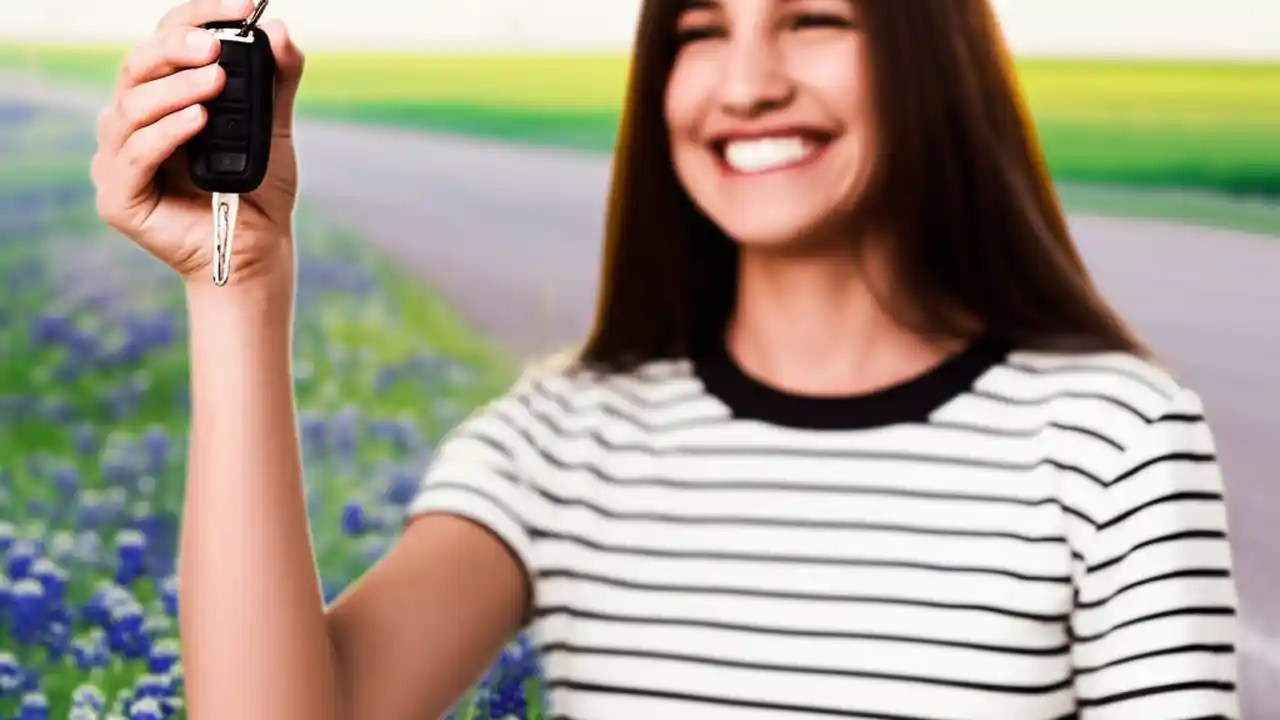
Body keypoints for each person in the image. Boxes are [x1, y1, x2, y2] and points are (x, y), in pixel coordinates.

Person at [90, 0, 1243, 717]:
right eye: (699, 29)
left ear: (932, 51)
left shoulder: (1114, 439)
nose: (745, 83)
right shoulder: (558, 442)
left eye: (813, 20)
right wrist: (234, 285)